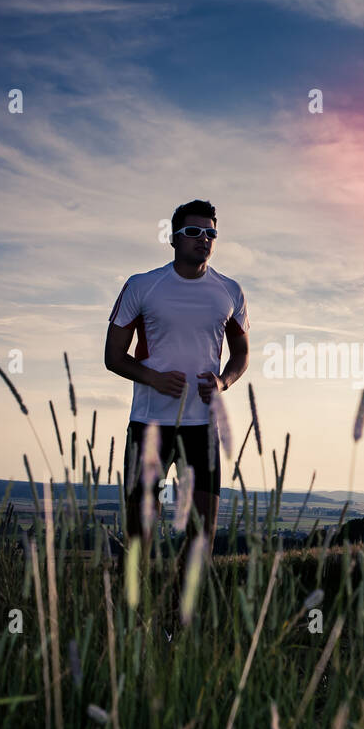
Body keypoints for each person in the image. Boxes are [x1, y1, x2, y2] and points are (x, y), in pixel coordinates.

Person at [104, 199, 250, 560]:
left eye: (211, 233)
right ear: (173, 238)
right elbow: (113, 357)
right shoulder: (142, 286)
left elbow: (242, 354)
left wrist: (223, 382)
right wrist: (152, 378)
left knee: (204, 534)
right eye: (193, 232)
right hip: (150, 424)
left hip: (203, 427)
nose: (203, 239)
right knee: (140, 535)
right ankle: (137, 611)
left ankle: (179, 613)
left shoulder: (230, 291)